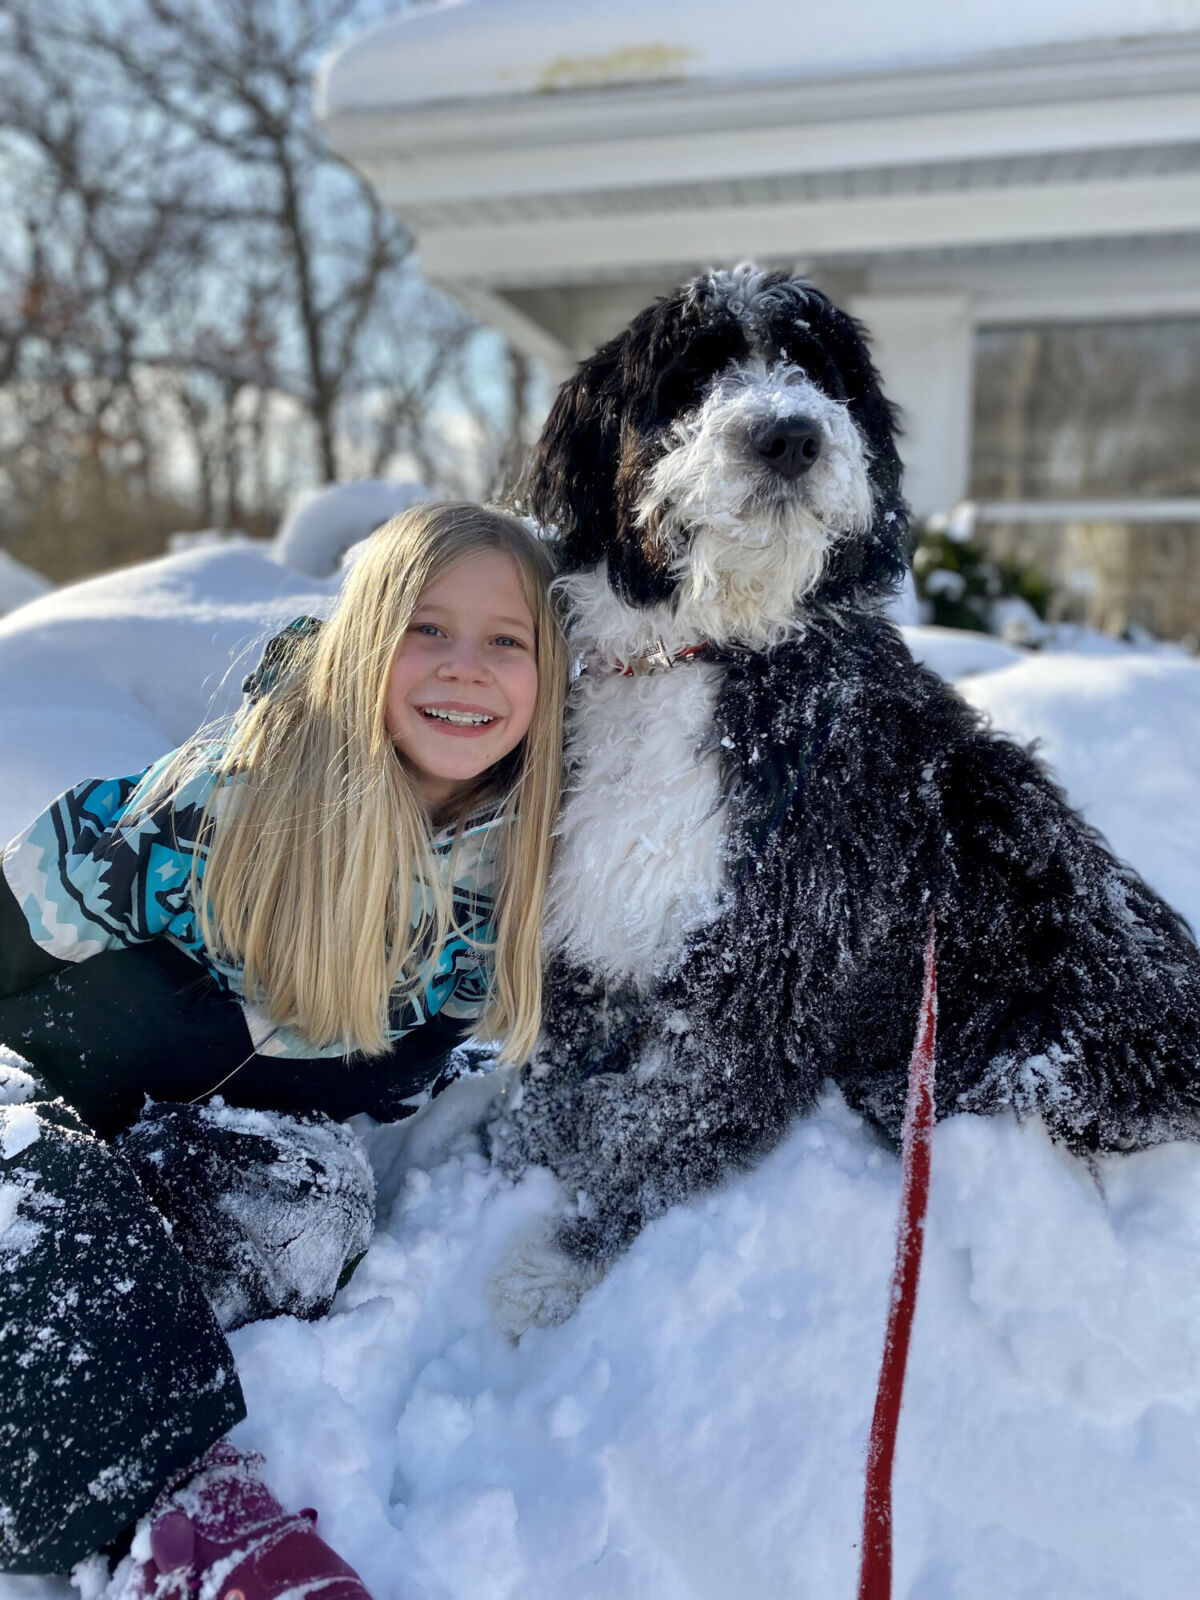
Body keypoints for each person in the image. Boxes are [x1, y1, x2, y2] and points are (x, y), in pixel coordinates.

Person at [0, 502, 567, 1597]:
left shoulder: (516, 892)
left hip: (174, 1158)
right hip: (29, 1092)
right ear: (364, 642)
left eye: (508, 639)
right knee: (28, 1184)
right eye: (425, 627)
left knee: (312, 1211)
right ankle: (188, 1527)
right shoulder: (228, 805)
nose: (465, 666)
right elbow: (17, 911)